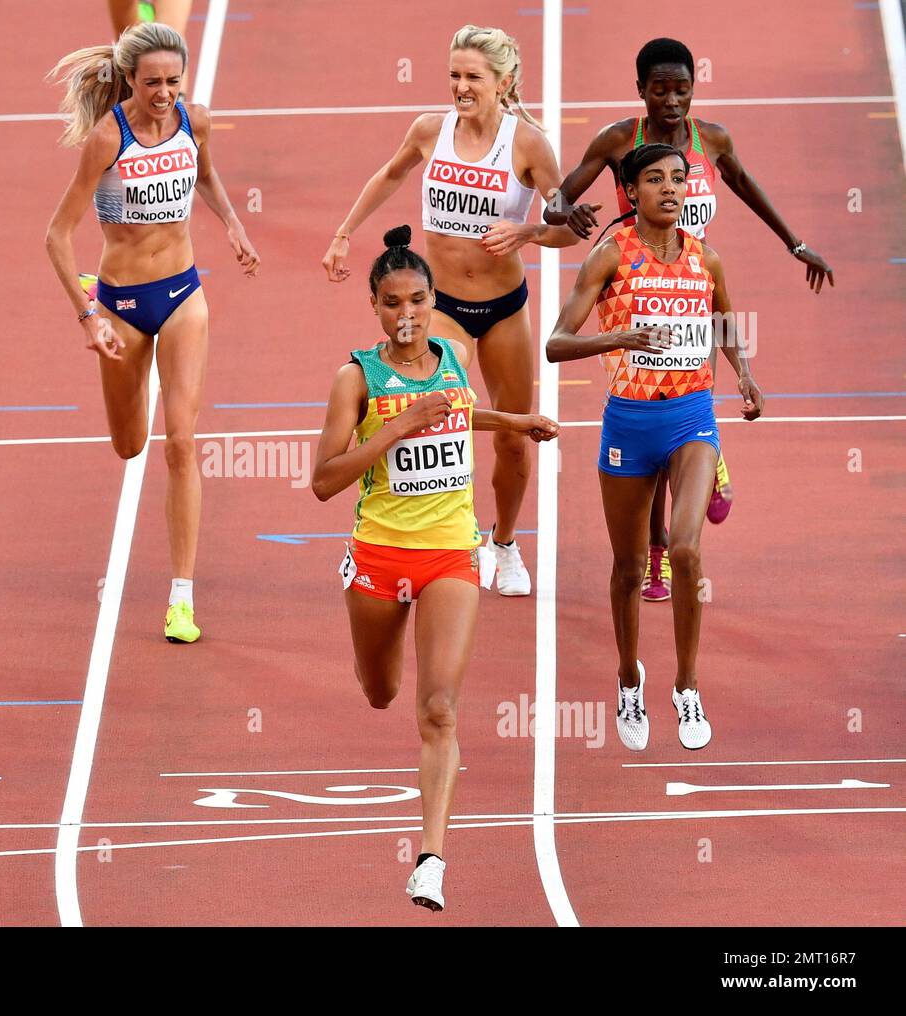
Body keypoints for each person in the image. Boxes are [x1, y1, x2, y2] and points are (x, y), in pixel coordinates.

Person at [313, 225, 558, 910]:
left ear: (431, 299)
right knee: (381, 692)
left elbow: (459, 413)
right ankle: (353, 582)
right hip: (380, 553)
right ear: (375, 306)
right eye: (393, 303)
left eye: (419, 300)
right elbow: (324, 481)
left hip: (452, 550)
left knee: (440, 709)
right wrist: (394, 427)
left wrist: (515, 419)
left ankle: (430, 861)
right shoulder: (355, 379)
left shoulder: (452, 355)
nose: (409, 316)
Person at [545, 37, 829, 601]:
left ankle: (705, 463)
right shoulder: (619, 139)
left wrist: (796, 245)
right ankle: (657, 554)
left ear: (694, 87)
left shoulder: (712, 140)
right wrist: (563, 209)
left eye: (682, 88)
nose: (672, 100)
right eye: (660, 89)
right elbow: (559, 196)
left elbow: (746, 186)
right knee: (650, 440)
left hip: (693, 282)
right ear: (641, 91)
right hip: (636, 288)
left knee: (689, 402)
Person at [323, 24, 579, 597]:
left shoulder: (529, 144)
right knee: (440, 417)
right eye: (455, 76)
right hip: (445, 309)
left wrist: (528, 232)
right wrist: (343, 232)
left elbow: (572, 230)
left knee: (513, 435)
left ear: (503, 81)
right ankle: (429, 537)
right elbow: (390, 174)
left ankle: (505, 543)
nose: (462, 88)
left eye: (473, 78)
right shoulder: (428, 131)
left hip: (506, 309)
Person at [46, 22, 259, 643]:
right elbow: (56, 234)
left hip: (184, 294)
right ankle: (100, 301)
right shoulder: (107, 138)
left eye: (173, 81)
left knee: (181, 444)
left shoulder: (197, 119)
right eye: (152, 83)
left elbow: (207, 177)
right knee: (129, 444)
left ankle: (182, 597)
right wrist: (88, 316)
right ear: (130, 81)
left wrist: (235, 227)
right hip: (119, 302)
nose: (164, 93)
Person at [547, 145, 765, 751]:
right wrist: (620, 335)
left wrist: (743, 376)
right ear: (630, 191)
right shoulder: (609, 257)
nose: (671, 189)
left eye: (679, 179)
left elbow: (722, 323)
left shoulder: (707, 259)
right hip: (628, 428)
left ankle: (688, 686)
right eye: (655, 180)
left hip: (692, 420)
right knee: (628, 569)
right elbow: (556, 343)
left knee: (687, 551)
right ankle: (628, 679)